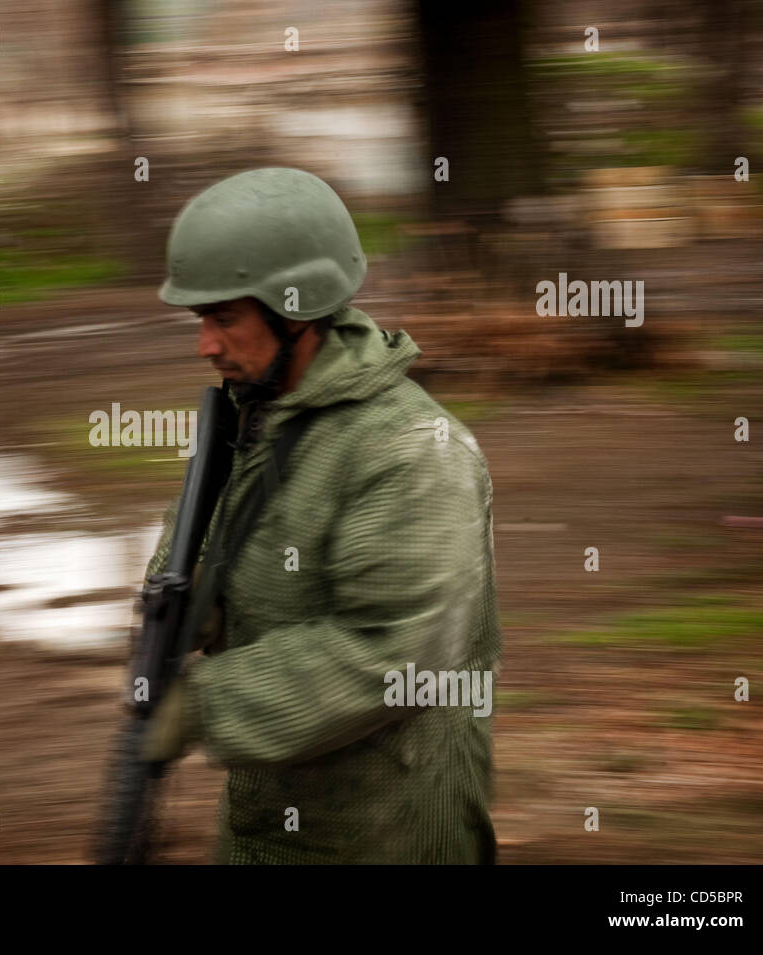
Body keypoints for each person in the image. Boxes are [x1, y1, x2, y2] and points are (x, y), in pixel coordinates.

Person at [138, 167, 502, 864]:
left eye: (224, 317)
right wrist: (183, 607)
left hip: (385, 830)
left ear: (294, 308)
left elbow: (392, 650)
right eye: (200, 320)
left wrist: (202, 704)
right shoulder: (252, 428)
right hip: (270, 815)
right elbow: (192, 555)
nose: (204, 345)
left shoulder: (411, 451)